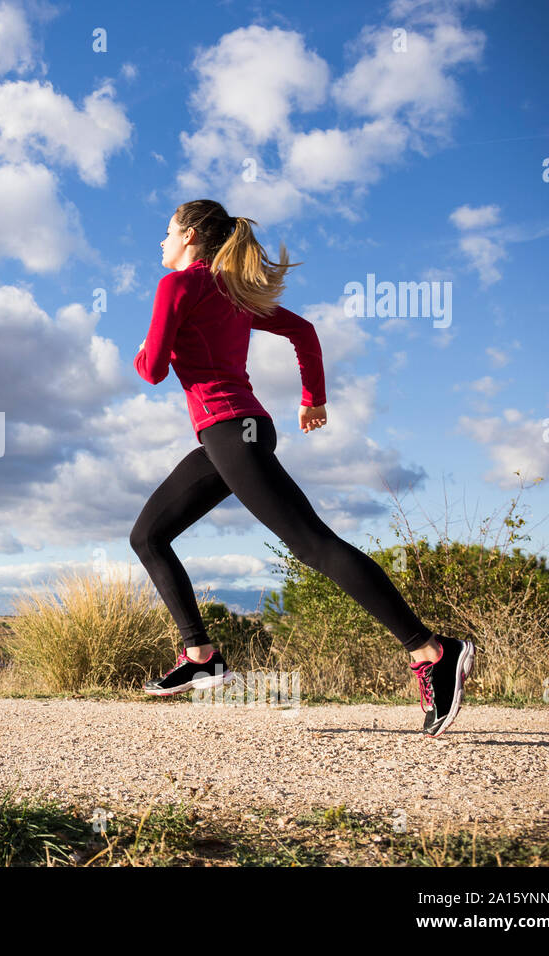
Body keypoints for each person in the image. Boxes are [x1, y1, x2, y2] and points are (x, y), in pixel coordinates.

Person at [129, 199, 474, 737]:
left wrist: (146, 349)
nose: (161, 242)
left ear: (191, 236)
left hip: (229, 432)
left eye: (167, 232)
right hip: (236, 433)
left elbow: (150, 370)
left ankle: (431, 650)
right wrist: (313, 397)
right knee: (148, 535)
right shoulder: (235, 294)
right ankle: (200, 653)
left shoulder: (178, 286)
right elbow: (304, 331)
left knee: (313, 545)